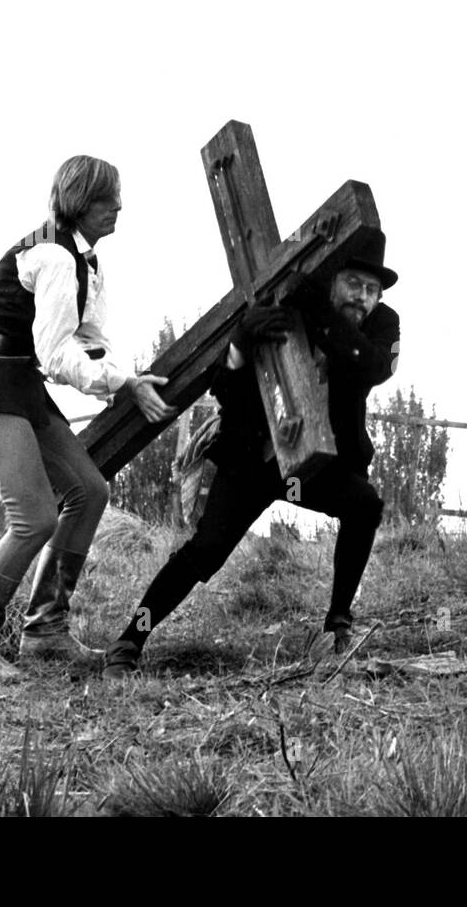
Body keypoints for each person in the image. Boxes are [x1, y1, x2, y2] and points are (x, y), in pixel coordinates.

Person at [102, 246, 400, 678]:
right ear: (331, 278)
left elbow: (370, 365)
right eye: (353, 284)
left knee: (364, 504)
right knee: (204, 553)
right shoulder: (282, 302)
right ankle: (130, 639)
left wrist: (319, 310)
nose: (363, 298)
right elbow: (224, 391)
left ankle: (337, 624)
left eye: (372, 290)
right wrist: (240, 346)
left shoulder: (380, 323)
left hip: (317, 467)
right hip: (254, 460)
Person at [0, 155, 177, 683]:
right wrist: (118, 385)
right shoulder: (51, 255)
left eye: (116, 196)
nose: (118, 206)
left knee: (89, 490)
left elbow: (90, 342)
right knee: (34, 518)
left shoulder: (87, 263)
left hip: (20, 386)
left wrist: (127, 378)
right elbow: (56, 354)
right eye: (105, 198)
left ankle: (46, 628)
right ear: (77, 201)